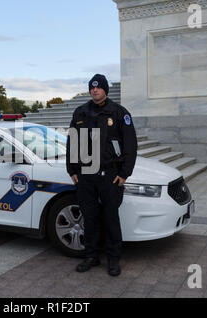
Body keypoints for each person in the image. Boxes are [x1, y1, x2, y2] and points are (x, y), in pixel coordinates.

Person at [66, 74, 137, 276]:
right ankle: (91, 256)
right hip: (85, 175)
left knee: (110, 218)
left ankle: (113, 260)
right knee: (89, 217)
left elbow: (130, 145)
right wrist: (71, 170)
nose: (95, 91)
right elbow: (72, 142)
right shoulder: (80, 113)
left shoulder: (118, 113)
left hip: (110, 175)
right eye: (92, 88)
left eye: (98, 88)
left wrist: (124, 174)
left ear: (105, 90)